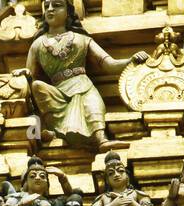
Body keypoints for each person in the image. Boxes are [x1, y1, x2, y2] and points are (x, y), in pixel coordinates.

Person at [25, 0, 148, 152]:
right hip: (58, 93)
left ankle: (101, 139)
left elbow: (109, 65)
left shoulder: (81, 39)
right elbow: (29, 77)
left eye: (57, 5)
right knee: (37, 86)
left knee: (92, 105)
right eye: (46, 6)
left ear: (69, 12)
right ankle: (55, 130)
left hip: (83, 84)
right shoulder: (37, 44)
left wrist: (131, 60)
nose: (50, 9)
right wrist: (22, 74)